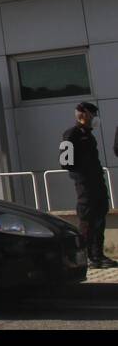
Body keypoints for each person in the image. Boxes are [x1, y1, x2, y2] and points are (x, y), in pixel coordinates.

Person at [64, 102, 113, 269]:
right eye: (93, 114)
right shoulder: (72, 134)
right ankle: (87, 257)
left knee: (100, 218)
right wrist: (83, 172)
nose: (95, 118)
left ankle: (98, 255)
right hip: (85, 185)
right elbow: (65, 162)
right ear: (84, 115)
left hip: (97, 183)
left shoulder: (89, 135)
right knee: (88, 221)